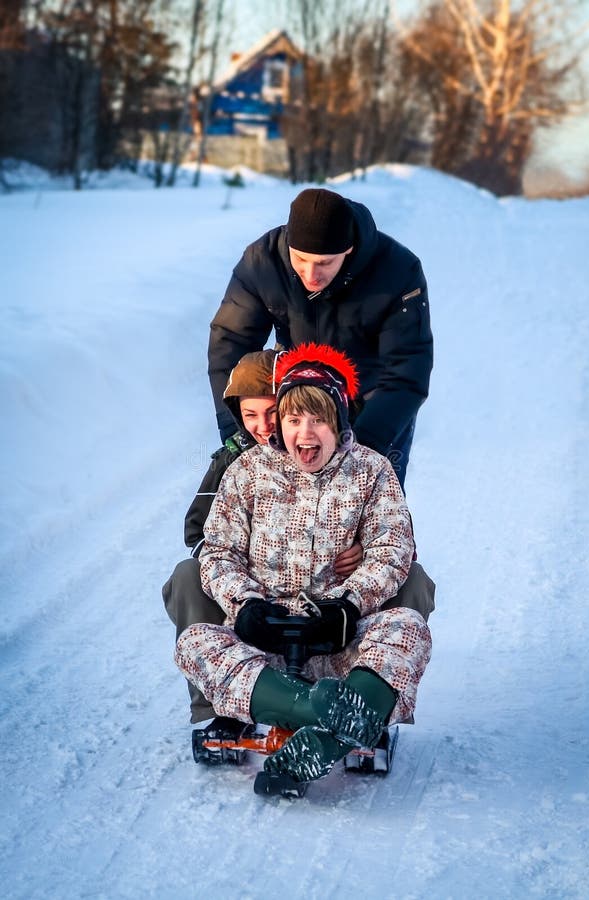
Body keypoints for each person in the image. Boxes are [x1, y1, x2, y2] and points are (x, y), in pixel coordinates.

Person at [175, 343, 432, 785]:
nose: (305, 433)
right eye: (294, 420)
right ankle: (329, 718)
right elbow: (218, 551)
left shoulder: (371, 471)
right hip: (264, 646)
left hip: (338, 642)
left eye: (318, 420)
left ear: (338, 422)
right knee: (195, 643)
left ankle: (323, 741)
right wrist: (247, 604)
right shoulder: (247, 471)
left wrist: (349, 605)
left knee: (407, 629)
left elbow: (392, 548)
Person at [162, 349, 365, 726]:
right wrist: (241, 577)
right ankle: (223, 703)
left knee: (408, 580)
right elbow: (201, 533)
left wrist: (359, 547)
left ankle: (362, 698)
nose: (262, 425)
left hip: (327, 595)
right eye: (250, 415)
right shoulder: (232, 462)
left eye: (273, 412)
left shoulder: (343, 453)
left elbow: (390, 534)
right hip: (250, 593)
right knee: (187, 575)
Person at [207, 187, 434, 490]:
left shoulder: (398, 271)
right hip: (295, 403)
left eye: (325, 263)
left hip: (372, 403)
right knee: (286, 505)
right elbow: (230, 343)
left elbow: (407, 370)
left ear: (348, 250)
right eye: (301, 259)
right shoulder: (263, 262)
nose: (311, 274)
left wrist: (362, 448)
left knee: (373, 503)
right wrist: (237, 425)